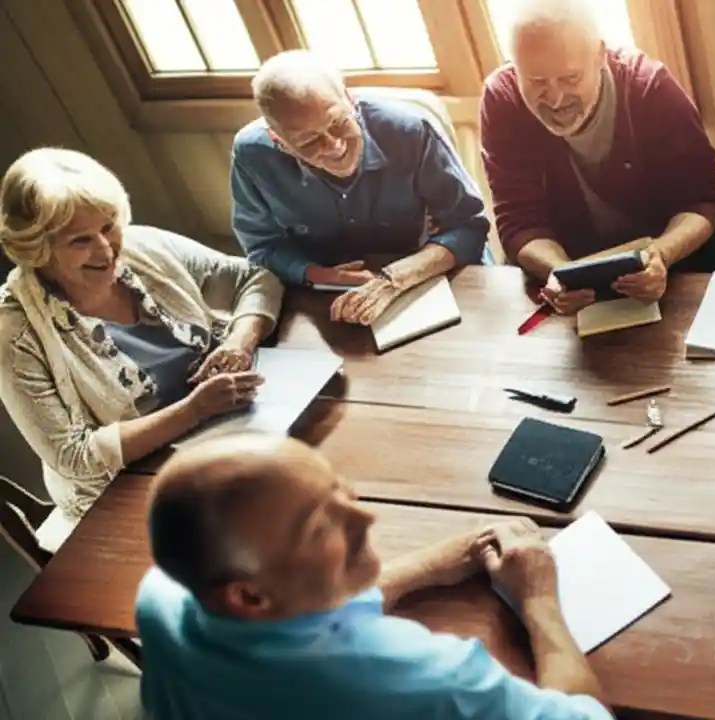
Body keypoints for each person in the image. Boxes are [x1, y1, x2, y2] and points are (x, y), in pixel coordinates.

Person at [137, 434, 612, 719]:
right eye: (320, 527)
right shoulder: (428, 679)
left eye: (341, 490)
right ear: (247, 595)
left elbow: (303, 610)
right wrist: (538, 597)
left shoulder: (160, 595)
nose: (366, 519)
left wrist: (428, 566)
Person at [0, 148, 281, 547]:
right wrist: (194, 409)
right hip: (133, 491)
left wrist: (240, 339)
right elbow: (75, 460)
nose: (107, 250)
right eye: (81, 240)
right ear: (37, 249)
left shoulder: (143, 247)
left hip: (227, 433)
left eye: (109, 225)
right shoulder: (13, 334)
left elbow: (255, 279)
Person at [480, 0, 715, 316]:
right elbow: (518, 222)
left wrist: (660, 256)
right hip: (572, 291)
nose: (555, 100)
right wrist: (560, 272)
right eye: (537, 82)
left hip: (673, 275)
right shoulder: (502, 100)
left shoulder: (649, 87)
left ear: (600, 56)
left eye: (570, 78)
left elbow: (703, 201)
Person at [231, 50, 489, 326]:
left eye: (338, 122)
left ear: (350, 100)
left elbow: (469, 225)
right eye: (309, 142)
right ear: (278, 140)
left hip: (423, 278)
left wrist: (395, 278)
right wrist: (316, 274)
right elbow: (262, 246)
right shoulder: (252, 155)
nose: (334, 146)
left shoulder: (409, 130)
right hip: (328, 299)